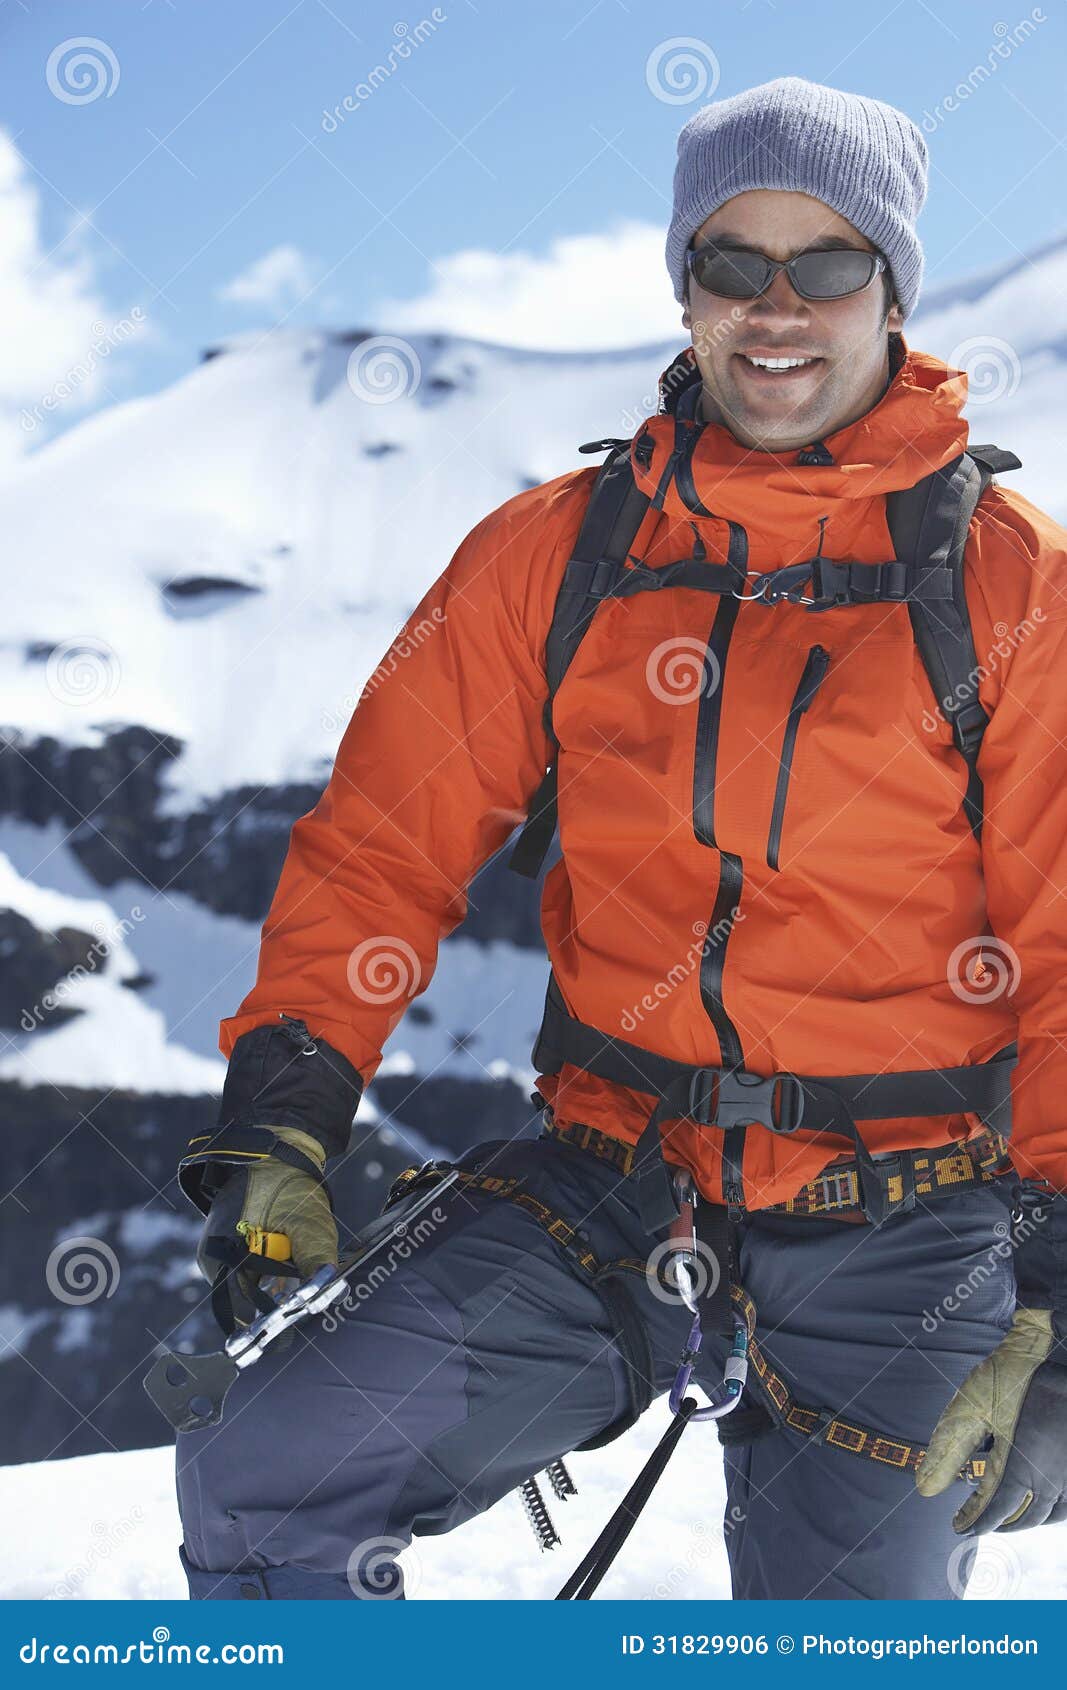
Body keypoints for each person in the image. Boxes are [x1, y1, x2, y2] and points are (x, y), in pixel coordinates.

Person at [173, 76, 1067, 1601]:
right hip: (613, 1181)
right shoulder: (559, 553)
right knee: (264, 1475)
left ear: (893, 290)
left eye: (827, 265)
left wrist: (1050, 1303)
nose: (776, 309)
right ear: (685, 283)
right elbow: (381, 849)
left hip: (913, 1214)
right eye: (733, 262)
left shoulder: (1012, 587)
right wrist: (286, 1115)